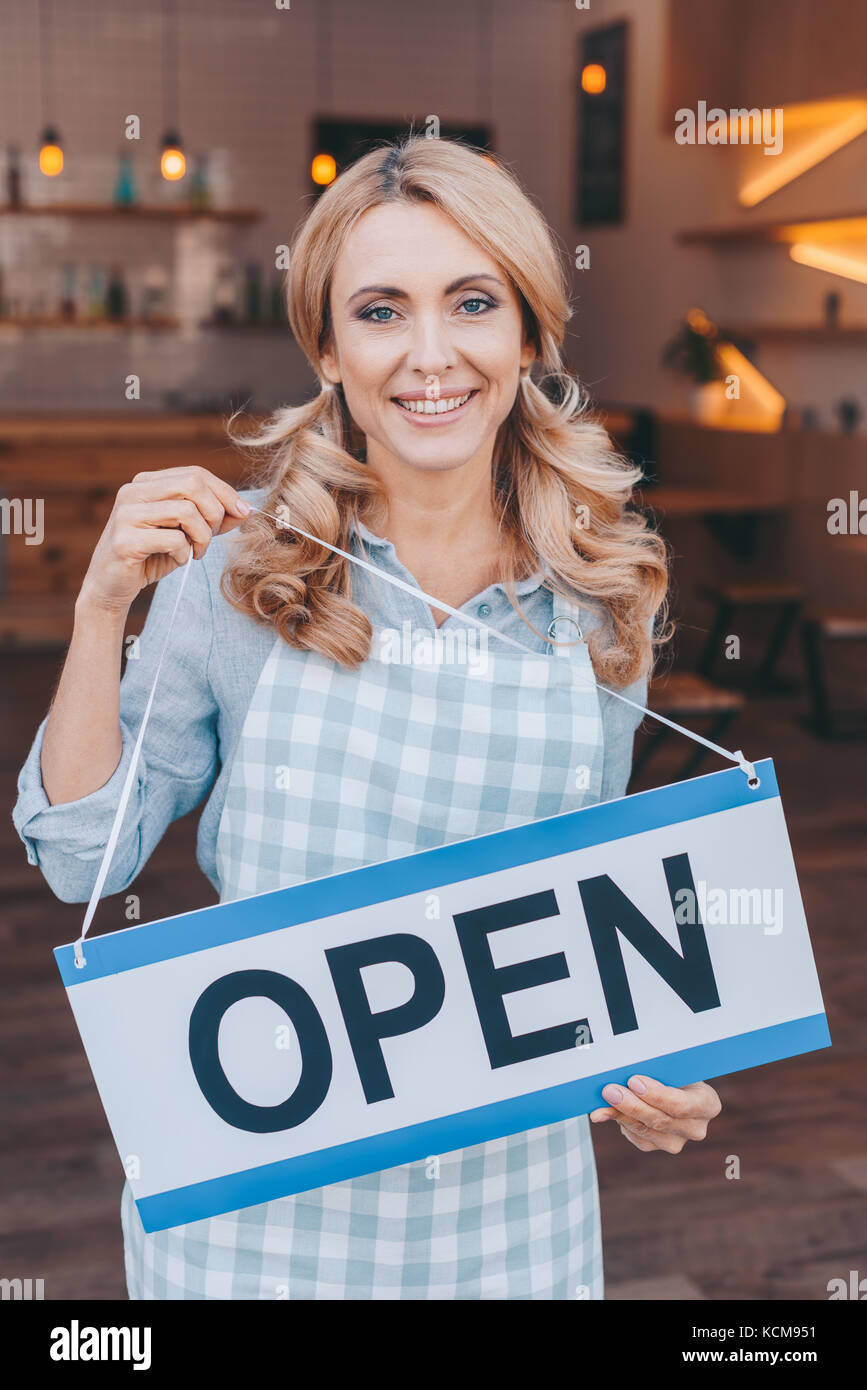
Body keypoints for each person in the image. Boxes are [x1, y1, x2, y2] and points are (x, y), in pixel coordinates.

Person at [13, 137, 721, 1300]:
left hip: (511, 1228)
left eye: (473, 302)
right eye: (383, 311)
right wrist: (100, 611)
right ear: (328, 348)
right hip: (254, 1223)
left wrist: (658, 1077)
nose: (430, 355)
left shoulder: (602, 594)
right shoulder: (239, 568)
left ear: (530, 333)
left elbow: (583, 935)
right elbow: (84, 857)